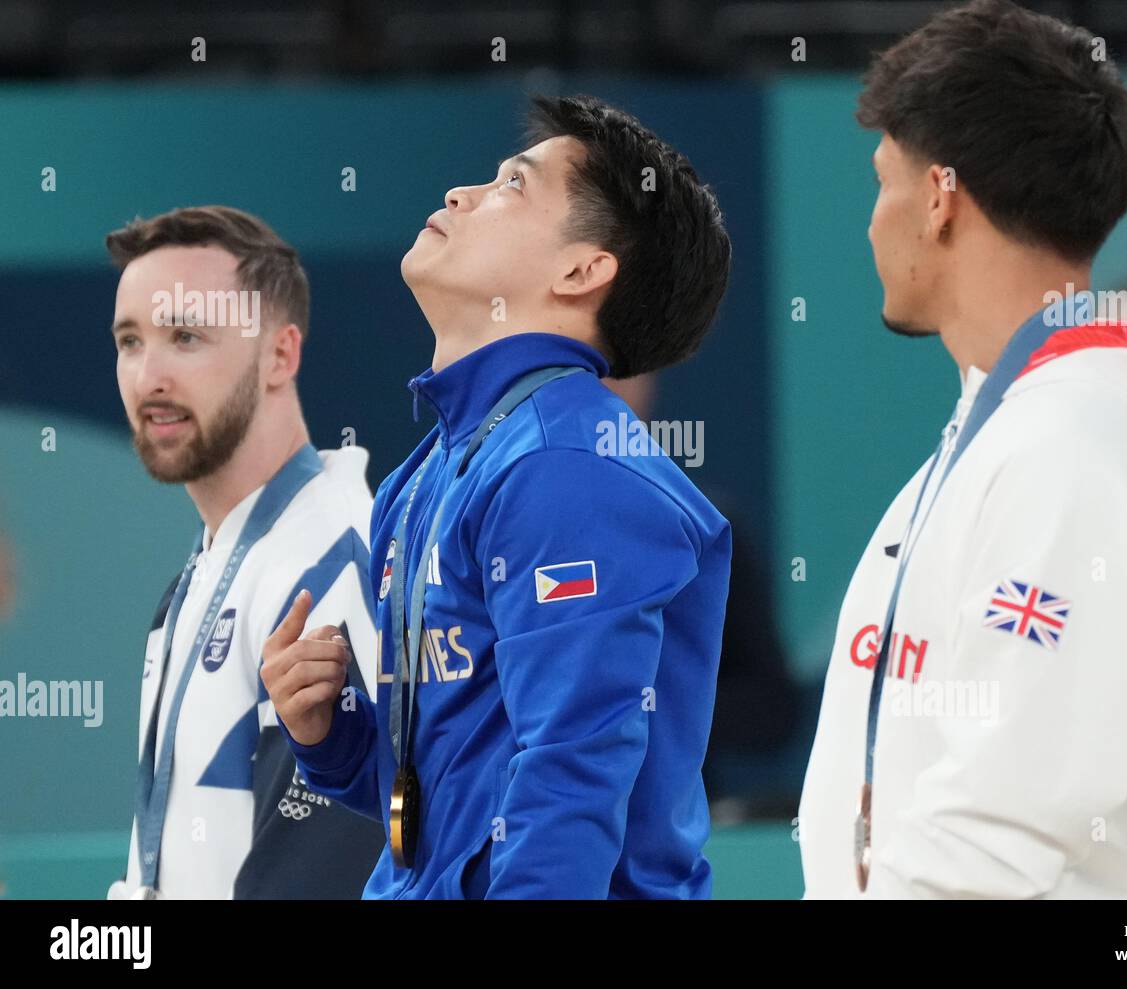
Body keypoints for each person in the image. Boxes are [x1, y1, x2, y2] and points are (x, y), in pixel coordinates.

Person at [798, 0, 1127, 899]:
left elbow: (997, 834)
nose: (873, 220)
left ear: (941, 196)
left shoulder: (1073, 452)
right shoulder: (1010, 438)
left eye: (883, 180)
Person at [261, 95, 734, 898]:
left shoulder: (570, 469)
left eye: (512, 185)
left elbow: (570, 777)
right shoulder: (427, 475)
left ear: (582, 270)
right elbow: (448, 791)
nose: (460, 194)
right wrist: (334, 737)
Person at [106, 206, 385, 899]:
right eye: (131, 340)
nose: (150, 377)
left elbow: (323, 875)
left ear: (280, 355)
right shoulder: (210, 567)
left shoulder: (325, 559)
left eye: (186, 336)